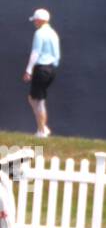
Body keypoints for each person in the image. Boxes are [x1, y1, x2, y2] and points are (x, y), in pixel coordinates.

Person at [23, 7, 61, 138]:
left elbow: (35, 52)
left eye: (35, 20)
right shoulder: (53, 33)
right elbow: (57, 55)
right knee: (34, 99)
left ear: (40, 20)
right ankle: (43, 126)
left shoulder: (39, 33)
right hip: (51, 69)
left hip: (42, 69)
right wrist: (51, 66)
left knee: (38, 101)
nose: (34, 23)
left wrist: (28, 70)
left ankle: (42, 131)